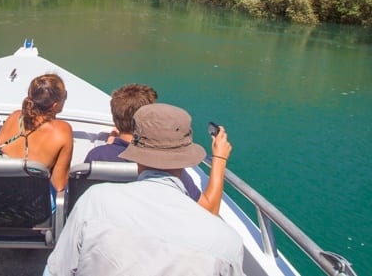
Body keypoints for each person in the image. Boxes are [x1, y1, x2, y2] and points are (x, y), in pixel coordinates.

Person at [46, 103, 244, 275]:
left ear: (136, 151)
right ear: (186, 154)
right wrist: (219, 158)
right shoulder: (225, 243)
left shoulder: (94, 201)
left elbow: (56, 271)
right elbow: (210, 209)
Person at [84, 83, 231, 214]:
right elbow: (209, 210)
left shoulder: (96, 156)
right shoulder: (165, 167)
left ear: (115, 118)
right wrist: (220, 158)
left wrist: (112, 144)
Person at [0, 73, 73, 193]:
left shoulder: (14, 116)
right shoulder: (63, 131)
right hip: (29, 206)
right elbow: (59, 185)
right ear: (55, 105)